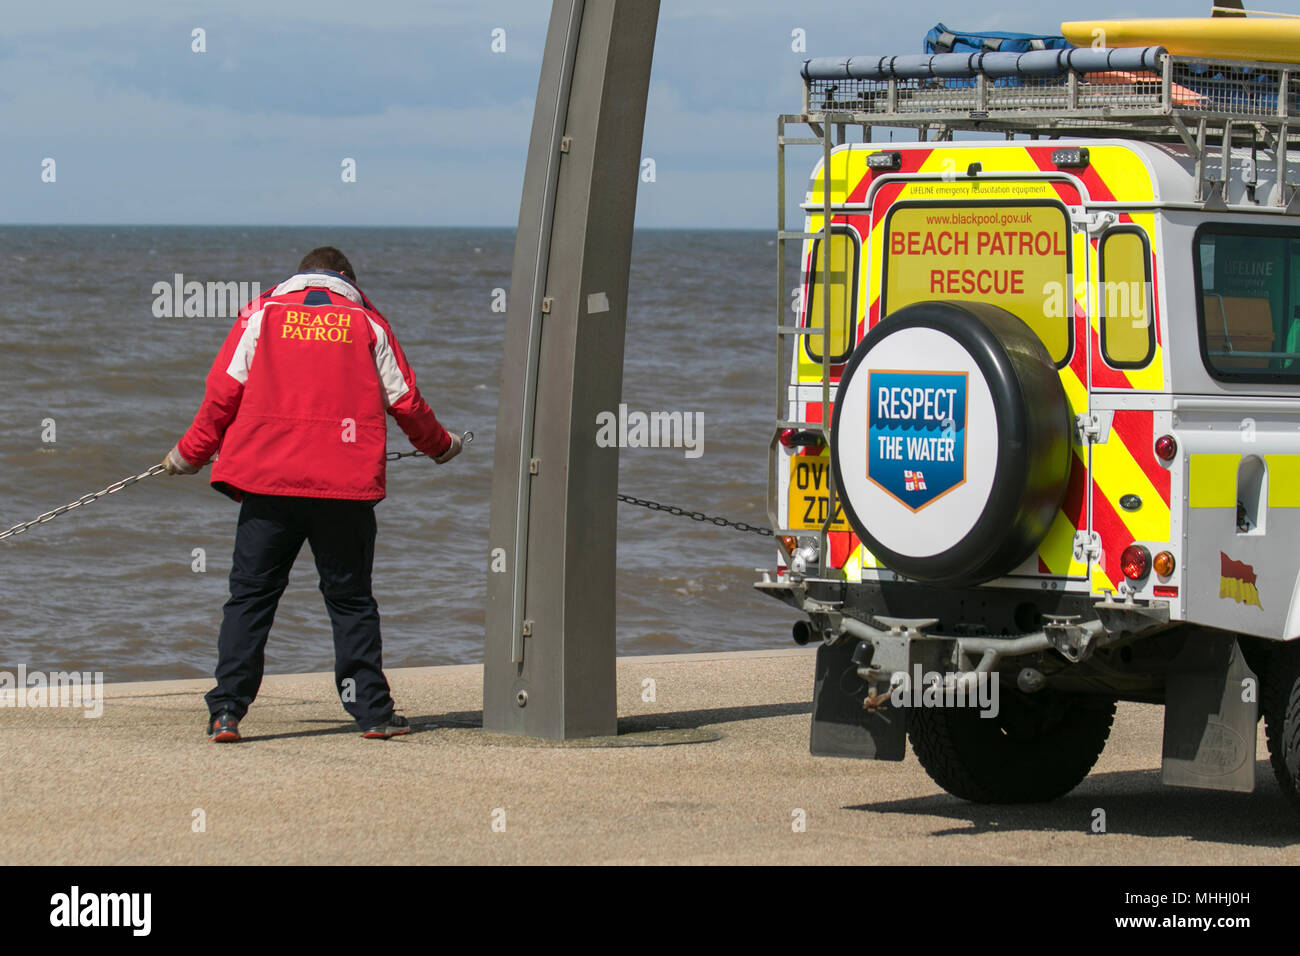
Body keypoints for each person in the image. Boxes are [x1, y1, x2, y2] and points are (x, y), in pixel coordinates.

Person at [163, 247, 463, 742]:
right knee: (350, 602)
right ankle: (372, 714)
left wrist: (188, 454)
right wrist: (440, 446)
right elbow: (404, 400)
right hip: (343, 490)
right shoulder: (367, 322)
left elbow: (222, 393)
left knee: (251, 598)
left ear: (300, 276)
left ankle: (227, 713)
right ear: (346, 277)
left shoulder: (260, 315)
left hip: (267, 485)